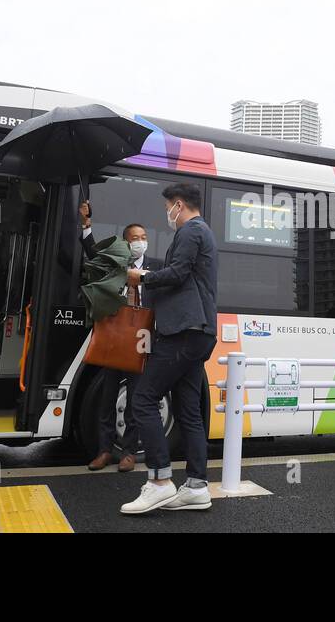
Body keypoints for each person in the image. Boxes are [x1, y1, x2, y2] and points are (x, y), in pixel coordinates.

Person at [119, 183, 217, 514]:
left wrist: (141, 277)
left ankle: (160, 481)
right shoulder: (202, 232)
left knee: (143, 398)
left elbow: (176, 275)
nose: (167, 214)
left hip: (183, 332)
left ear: (178, 205)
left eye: (167, 208)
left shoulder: (191, 231)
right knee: (188, 409)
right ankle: (196, 487)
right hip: (197, 331)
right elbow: (184, 278)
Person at [87, 223, 162, 472]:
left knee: (135, 399)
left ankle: (128, 453)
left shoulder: (157, 268)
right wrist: (87, 229)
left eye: (143, 237)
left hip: (141, 339)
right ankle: (104, 451)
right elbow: (92, 258)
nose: (140, 242)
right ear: (126, 242)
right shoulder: (115, 265)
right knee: (107, 398)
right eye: (134, 238)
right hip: (115, 339)